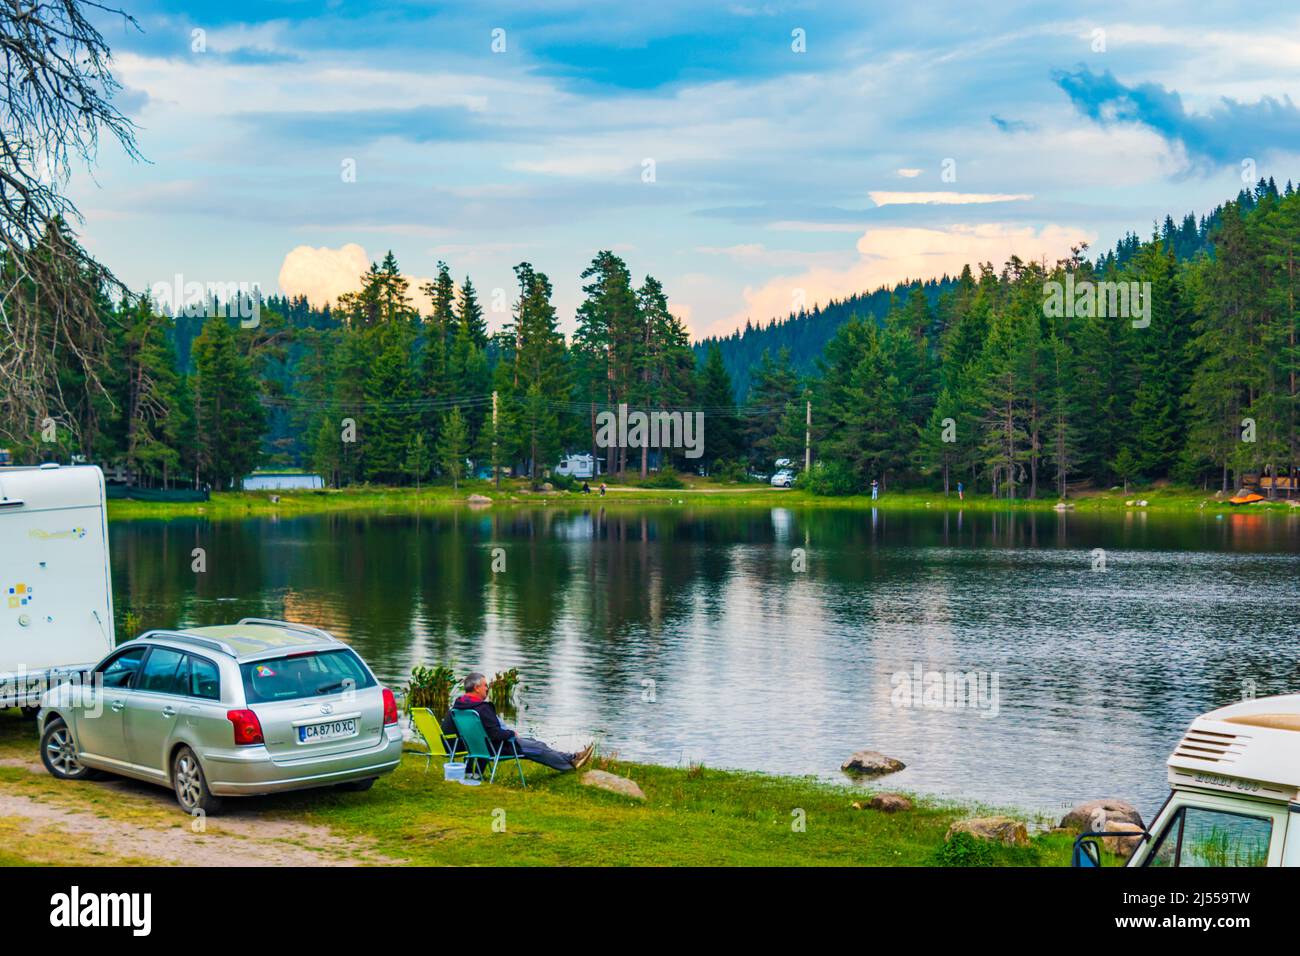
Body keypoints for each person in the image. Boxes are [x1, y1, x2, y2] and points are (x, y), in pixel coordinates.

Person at [442, 673, 594, 774]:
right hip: (496, 747)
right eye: (485, 686)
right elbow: (495, 734)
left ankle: (572, 757)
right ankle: (570, 766)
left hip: (478, 746)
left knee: (535, 742)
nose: (487, 689)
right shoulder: (481, 708)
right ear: (476, 688)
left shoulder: (458, 707)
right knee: (538, 749)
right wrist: (511, 733)